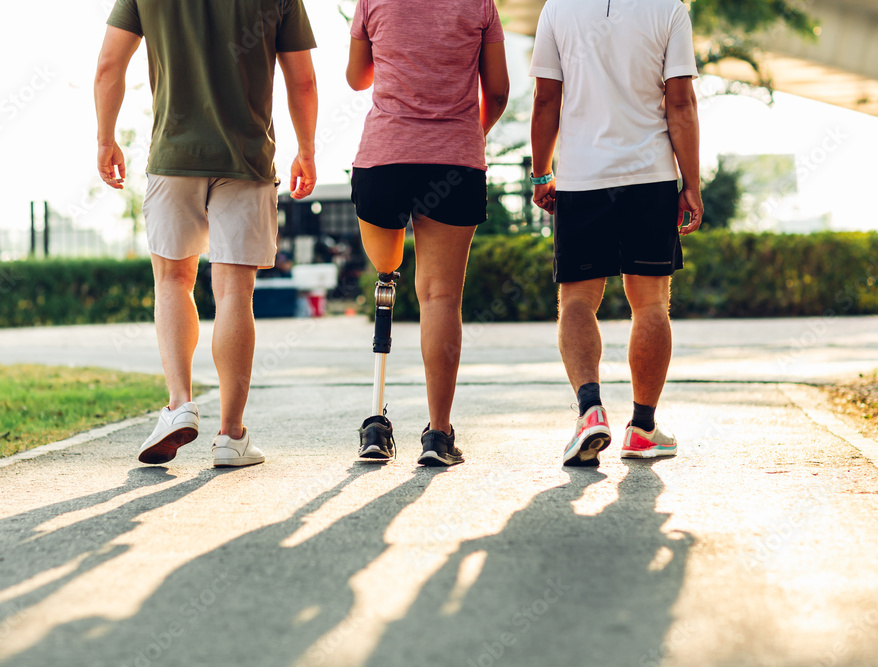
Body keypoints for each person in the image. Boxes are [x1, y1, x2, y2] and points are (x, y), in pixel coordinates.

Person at [94, 0, 318, 468]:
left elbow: (109, 65)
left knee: (173, 282)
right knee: (234, 291)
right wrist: (307, 150)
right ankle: (231, 437)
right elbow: (303, 80)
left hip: (173, 158)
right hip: (247, 162)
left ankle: (179, 405)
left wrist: (106, 138)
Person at [529, 0, 704, 466]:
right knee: (650, 303)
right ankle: (643, 429)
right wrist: (691, 184)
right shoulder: (669, 9)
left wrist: (542, 174)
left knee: (577, 300)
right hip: (650, 177)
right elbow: (680, 103)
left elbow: (546, 100)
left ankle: (590, 412)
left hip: (581, 179)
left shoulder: (557, 10)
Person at [347, 0, 510, 466]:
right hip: (454, 162)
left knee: (388, 268)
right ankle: (438, 435)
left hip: (385, 160)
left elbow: (357, 78)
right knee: (440, 297)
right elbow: (498, 91)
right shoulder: (480, 4)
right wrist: (472, 134)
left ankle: (375, 427)